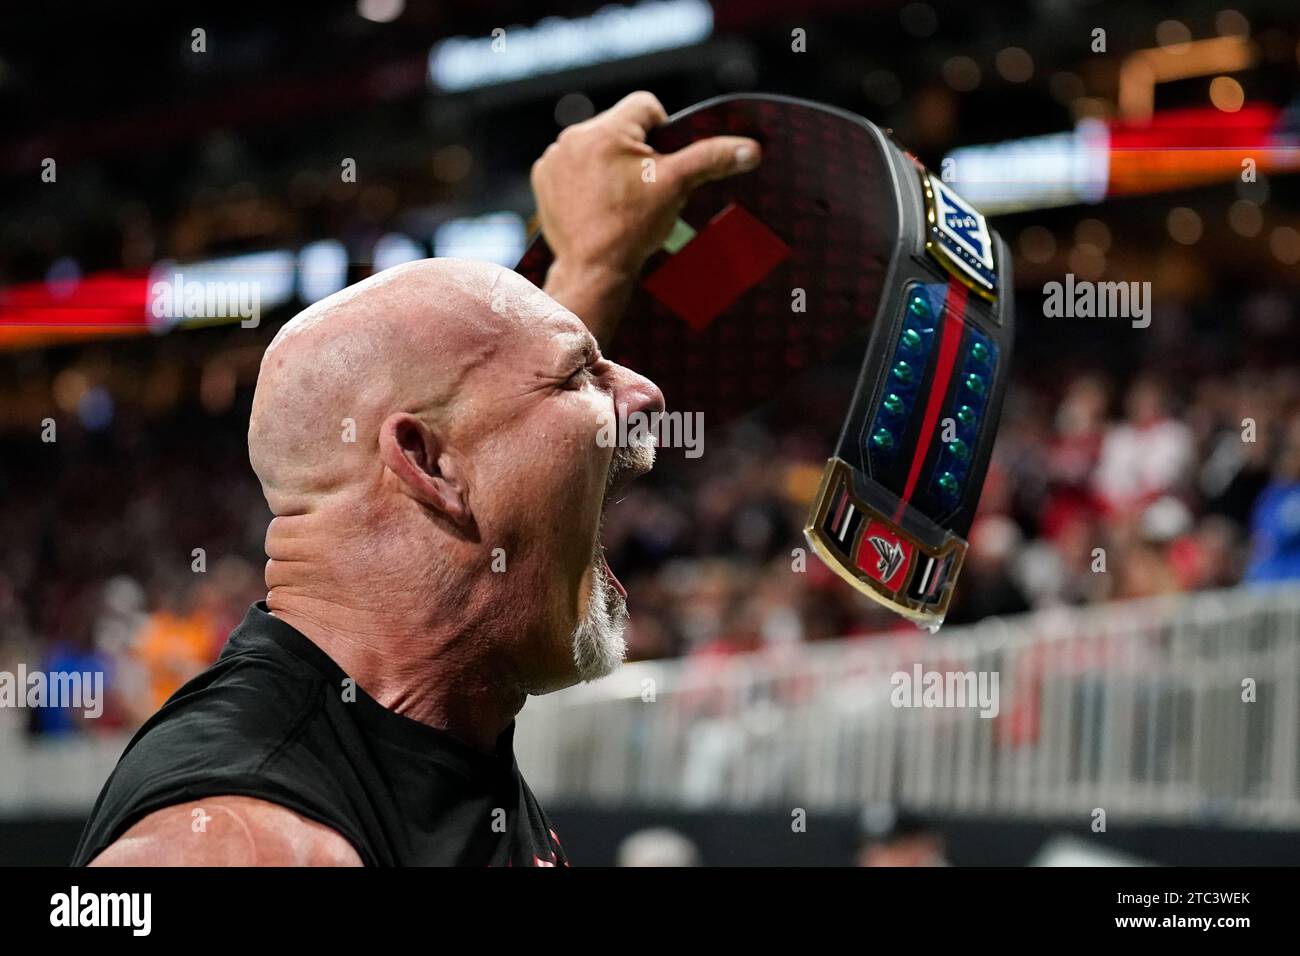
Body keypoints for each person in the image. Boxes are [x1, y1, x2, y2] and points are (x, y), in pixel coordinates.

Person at [72, 92, 761, 866]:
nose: (646, 396)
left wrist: (594, 265)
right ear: (426, 464)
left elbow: (495, 434)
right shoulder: (246, 839)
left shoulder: (406, 723)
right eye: (582, 375)